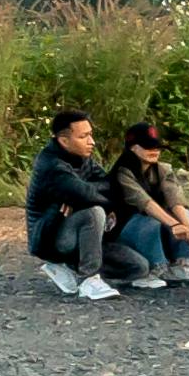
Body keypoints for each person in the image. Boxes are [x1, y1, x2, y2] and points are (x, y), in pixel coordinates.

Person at [23, 109, 126, 298]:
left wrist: (83, 193)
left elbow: (110, 184)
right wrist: (93, 198)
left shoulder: (83, 158)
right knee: (94, 213)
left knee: (137, 267)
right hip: (50, 237)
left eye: (91, 135)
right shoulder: (51, 165)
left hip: (76, 231)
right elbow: (85, 195)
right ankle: (88, 279)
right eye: (84, 136)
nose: (92, 141)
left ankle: (68, 268)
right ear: (64, 141)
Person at [108, 123, 189, 286]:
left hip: (152, 227)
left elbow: (174, 199)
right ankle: (153, 269)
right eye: (147, 146)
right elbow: (145, 203)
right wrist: (174, 225)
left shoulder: (162, 169)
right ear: (133, 147)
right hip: (125, 229)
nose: (154, 151)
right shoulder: (123, 173)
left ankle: (178, 267)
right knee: (152, 222)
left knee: (183, 214)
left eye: (157, 147)